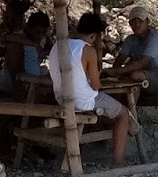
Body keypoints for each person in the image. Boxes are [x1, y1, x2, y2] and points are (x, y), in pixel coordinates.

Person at [48, 10, 132, 166]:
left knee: (108, 110)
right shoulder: (88, 50)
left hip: (61, 97)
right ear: (93, 36)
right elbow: (96, 85)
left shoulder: (57, 46)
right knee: (123, 113)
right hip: (82, 100)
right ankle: (118, 161)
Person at [114, 3, 158, 105]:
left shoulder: (154, 39)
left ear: (147, 22)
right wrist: (114, 71)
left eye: (140, 21)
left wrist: (117, 71)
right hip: (144, 77)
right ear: (130, 24)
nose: (137, 25)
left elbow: (143, 63)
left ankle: (130, 110)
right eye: (134, 22)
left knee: (135, 75)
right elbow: (119, 60)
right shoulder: (131, 40)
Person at [0, 10, 51, 95]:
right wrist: (35, 45)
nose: (40, 36)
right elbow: (9, 37)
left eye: (43, 33)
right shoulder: (19, 38)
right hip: (14, 83)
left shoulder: (43, 40)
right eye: (38, 32)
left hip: (34, 80)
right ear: (29, 28)